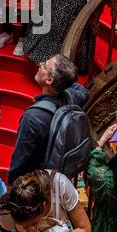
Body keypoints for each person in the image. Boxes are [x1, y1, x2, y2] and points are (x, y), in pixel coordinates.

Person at [8, 54, 89, 182]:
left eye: (44, 65)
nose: (40, 64)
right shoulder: (74, 97)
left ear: (49, 80)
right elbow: (84, 92)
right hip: (57, 173)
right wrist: (67, 77)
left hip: (37, 178)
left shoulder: (33, 117)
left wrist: (12, 183)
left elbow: (21, 158)